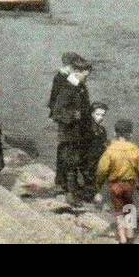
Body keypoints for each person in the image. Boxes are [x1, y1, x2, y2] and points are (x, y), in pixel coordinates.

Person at [95, 119, 139, 244]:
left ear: (114, 133)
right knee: (129, 207)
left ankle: (122, 238)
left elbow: (102, 169)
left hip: (115, 184)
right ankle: (130, 236)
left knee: (119, 211)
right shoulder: (134, 149)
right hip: (129, 184)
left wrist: (99, 184)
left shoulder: (110, 149)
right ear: (130, 134)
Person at [51, 60, 92, 205]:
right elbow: (57, 113)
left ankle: (67, 188)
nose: (86, 78)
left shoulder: (80, 87)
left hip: (78, 132)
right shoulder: (66, 89)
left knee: (74, 161)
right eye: (85, 75)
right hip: (68, 134)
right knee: (71, 163)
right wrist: (74, 115)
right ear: (77, 72)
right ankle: (70, 195)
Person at [81, 101, 110, 202]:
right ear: (91, 114)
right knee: (90, 178)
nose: (101, 117)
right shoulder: (87, 129)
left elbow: (103, 143)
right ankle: (91, 195)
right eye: (98, 114)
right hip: (89, 159)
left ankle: (94, 193)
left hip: (97, 158)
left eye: (103, 115)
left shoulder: (101, 129)